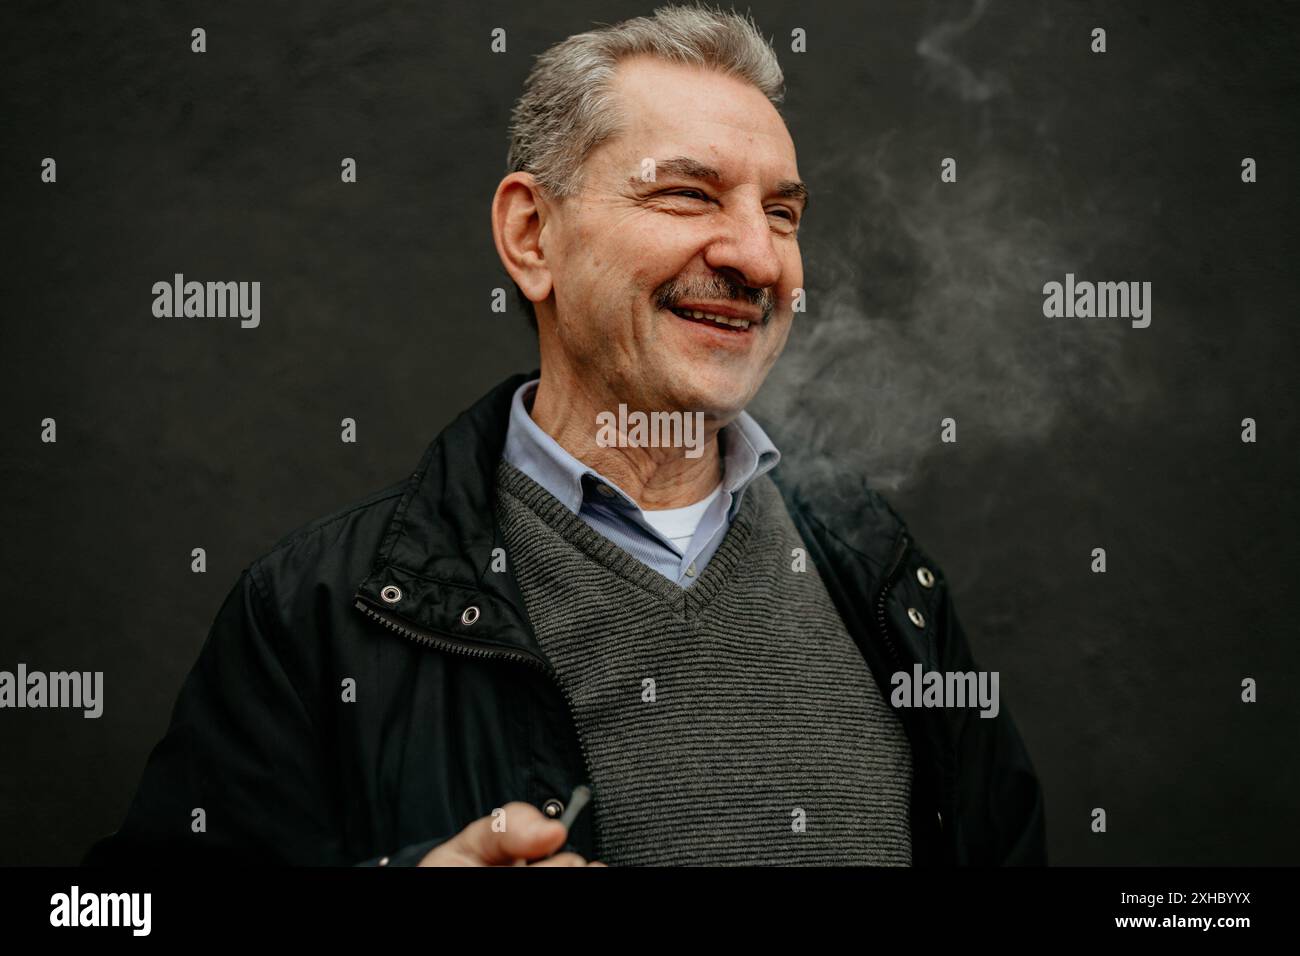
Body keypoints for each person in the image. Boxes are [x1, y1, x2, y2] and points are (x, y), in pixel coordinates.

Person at [84, 4, 1045, 868]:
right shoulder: (315, 615)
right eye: (687, 194)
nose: (758, 257)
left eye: (782, 212)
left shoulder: (884, 583)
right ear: (532, 237)